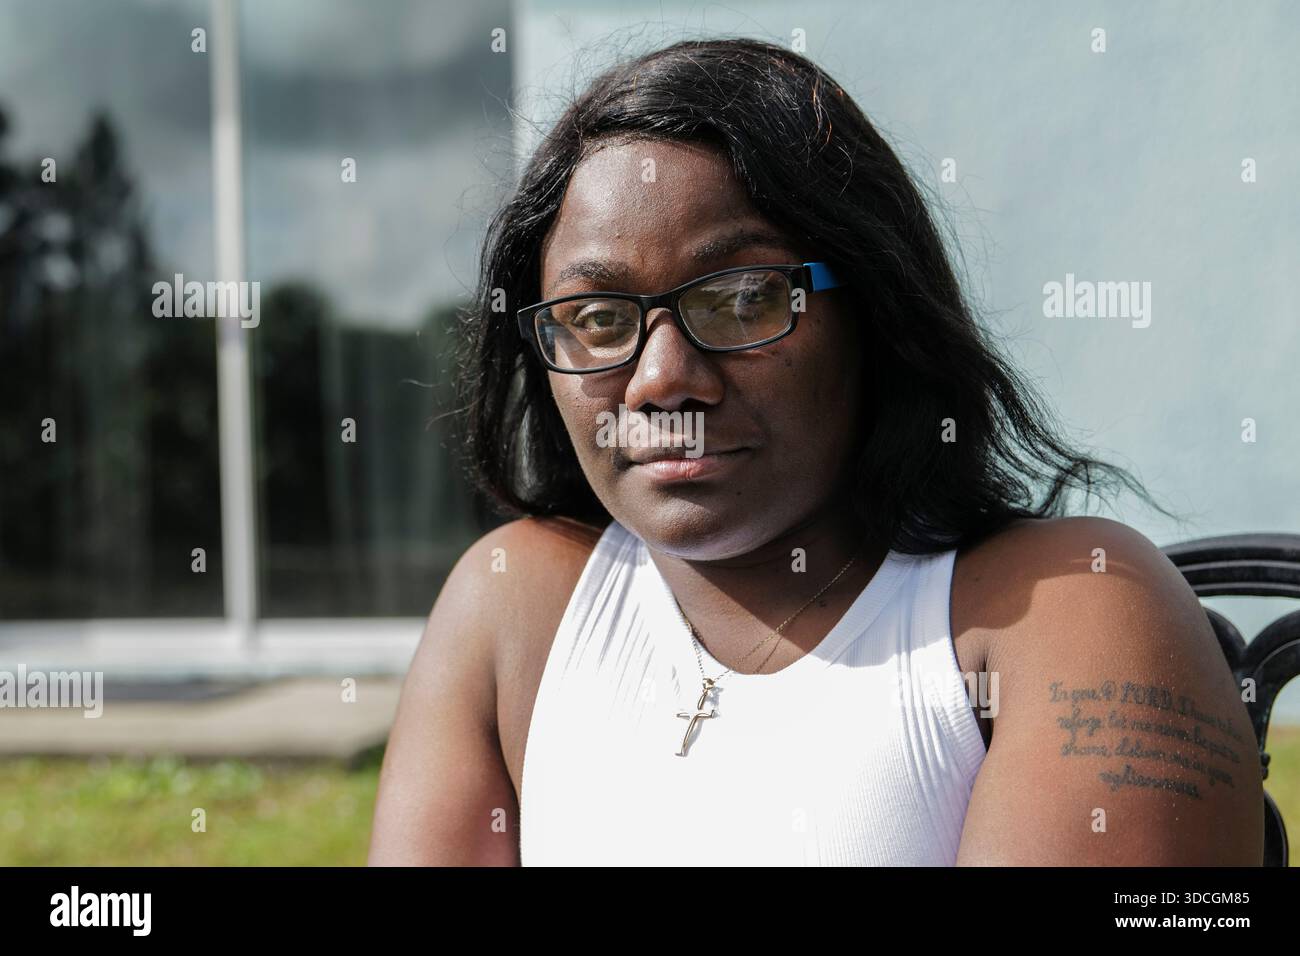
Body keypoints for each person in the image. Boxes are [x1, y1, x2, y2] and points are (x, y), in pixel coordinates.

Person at [368, 38, 1263, 866]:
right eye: (599, 319)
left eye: (745, 297)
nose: (662, 379)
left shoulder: (1065, 608)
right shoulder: (514, 608)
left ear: (873, 310)